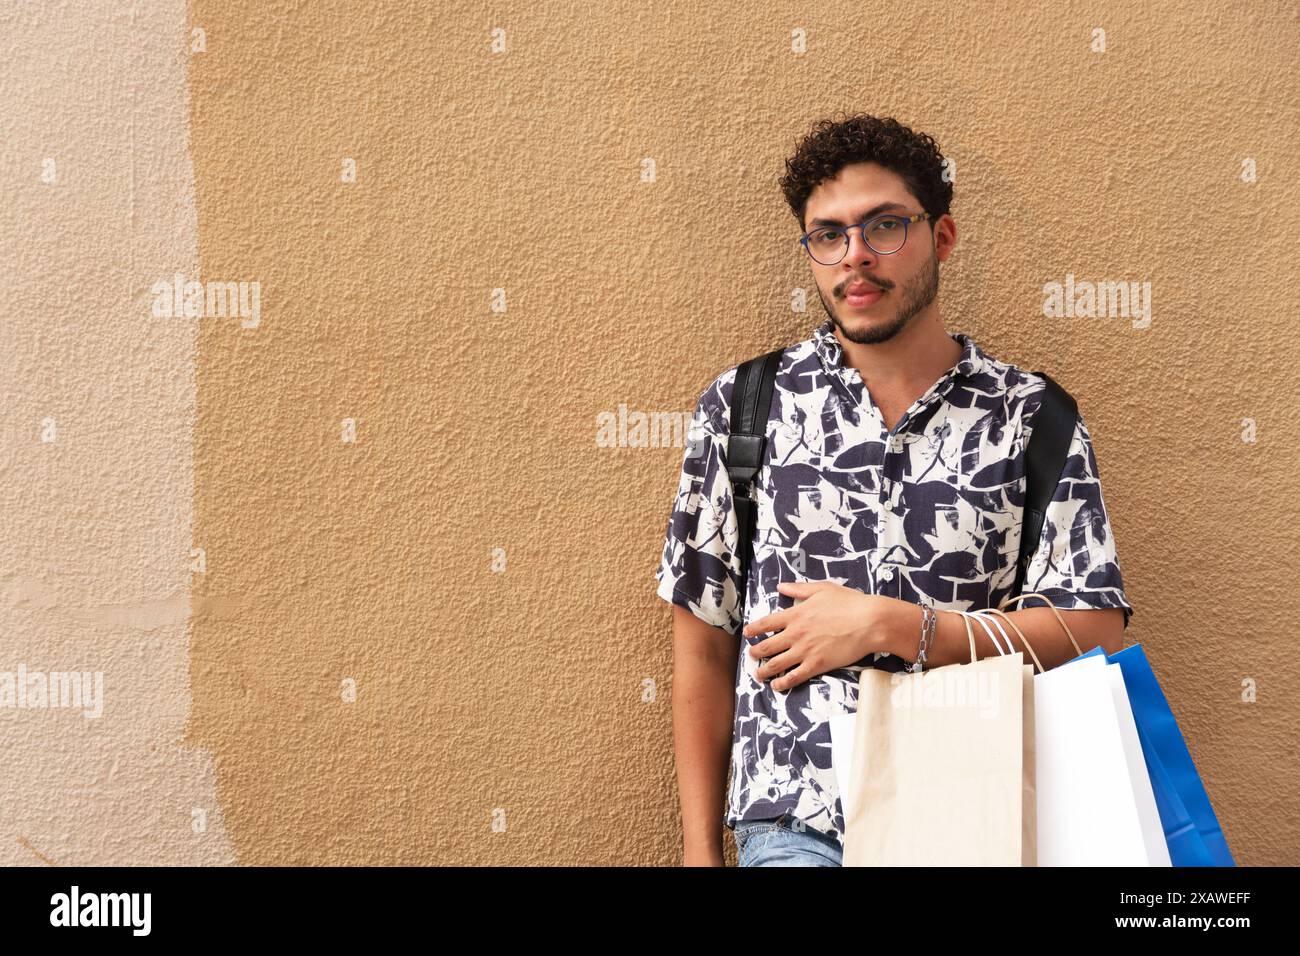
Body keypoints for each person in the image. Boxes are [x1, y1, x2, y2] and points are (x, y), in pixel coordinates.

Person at [654, 114, 1135, 867]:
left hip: (970, 815)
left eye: (885, 226)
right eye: (829, 234)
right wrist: (697, 851)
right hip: (793, 822)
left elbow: (1093, 628)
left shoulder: (1030, 417)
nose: (856, 258)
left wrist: (895, 626)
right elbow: (704, 647)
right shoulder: (745, 405)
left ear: (941, 237)